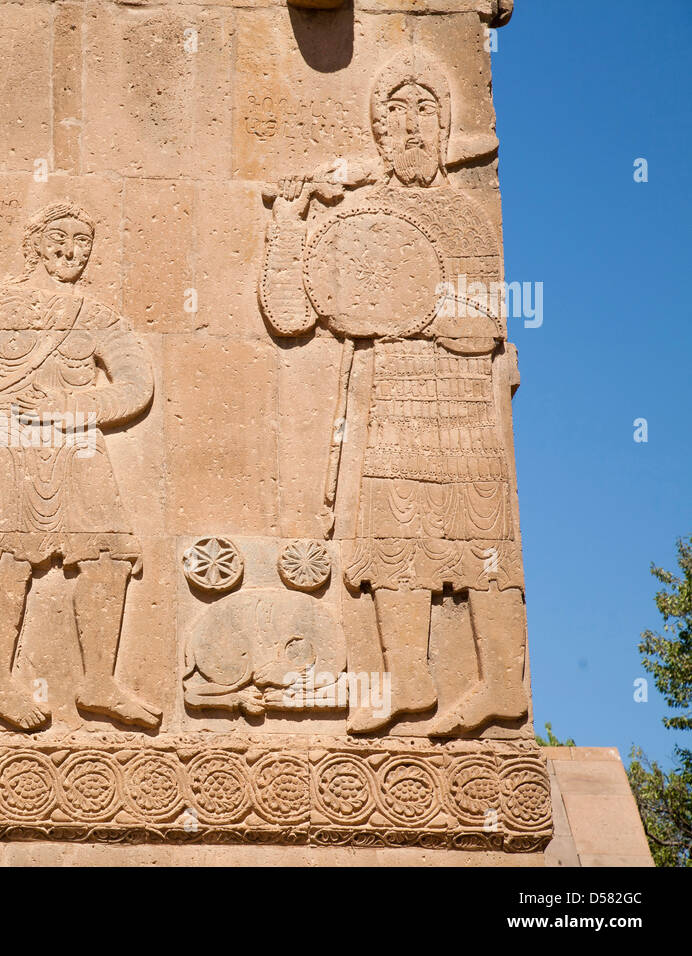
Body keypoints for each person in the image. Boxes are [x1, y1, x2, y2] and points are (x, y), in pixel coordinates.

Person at [259, 48, 528, 737]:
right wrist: (289, 222)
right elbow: (291, 314)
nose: (411, 127)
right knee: (393, 541)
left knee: (480, 540)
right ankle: (408, 677)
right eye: (396, 112)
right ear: (379, 131)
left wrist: (408, 310)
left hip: (462, 412)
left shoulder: (465, 217)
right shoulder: (361, 215)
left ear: (444, 126)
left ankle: (502, 684)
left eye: (426, 110)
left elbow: (482, 326)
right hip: (392, 404)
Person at [0, 201, 160, 731]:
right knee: (6, 557)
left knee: (109, 553)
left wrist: (70, 407)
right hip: (7, 437)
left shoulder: (96, 317)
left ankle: (98, 683)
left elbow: (137, 385)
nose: (71, 251)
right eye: (59, 239)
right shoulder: (1, 303)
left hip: (78, 441)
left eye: (82, 242)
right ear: (36, 245)